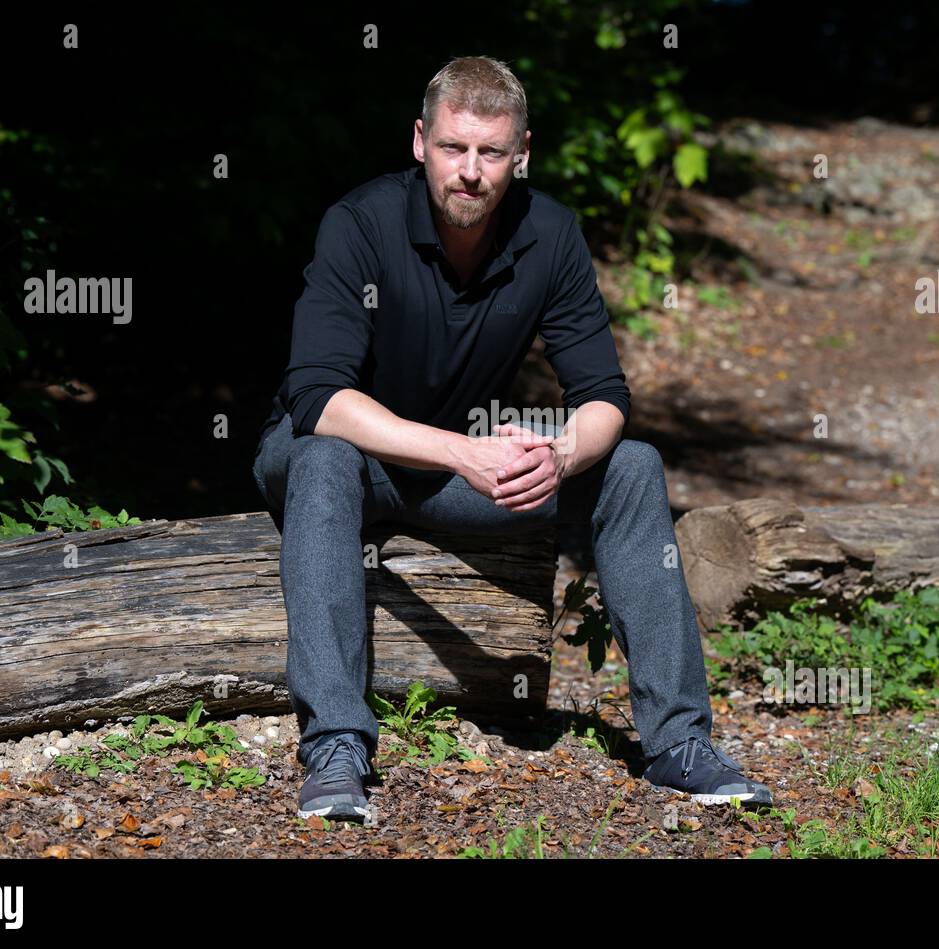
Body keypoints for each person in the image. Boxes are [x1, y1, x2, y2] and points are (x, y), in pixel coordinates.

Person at [252, 55, 772, 823]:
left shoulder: (551, 235)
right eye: (454, 149)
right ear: (420, 142)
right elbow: (319, 398)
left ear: (520, 155)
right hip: (339, 458)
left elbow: (604, 398)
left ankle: (679, 743)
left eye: (491, 153)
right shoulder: (358, 225)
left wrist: (558, 455)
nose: (470, 172)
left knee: (629, 464)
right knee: (326, 456)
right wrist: (463, 450)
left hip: (453, 472)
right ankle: (335, 747)